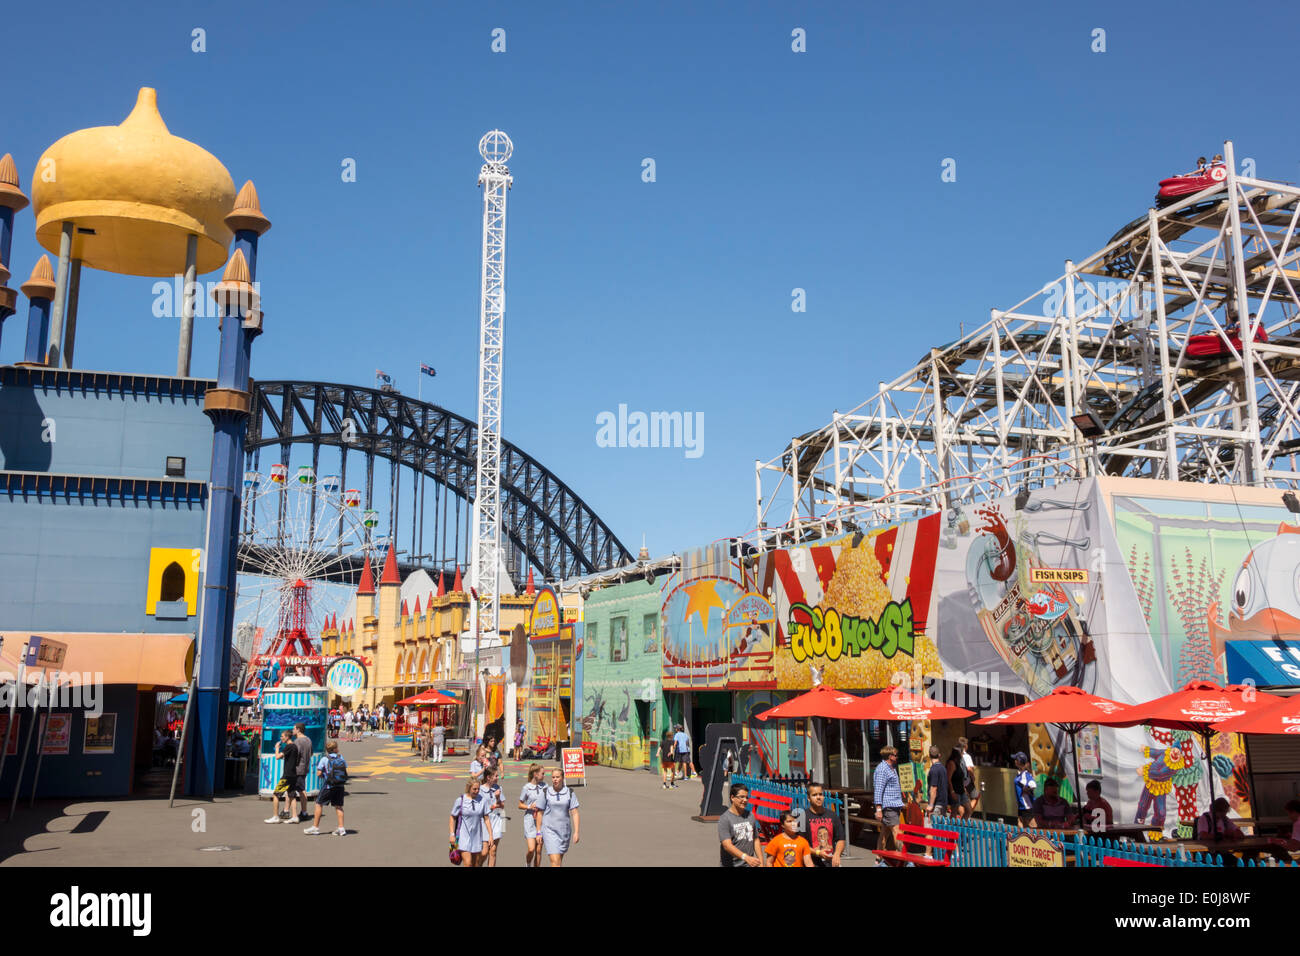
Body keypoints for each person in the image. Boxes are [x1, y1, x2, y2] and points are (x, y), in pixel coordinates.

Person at [537, 767, 581, 867]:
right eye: (553, 777)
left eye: (557, 777)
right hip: (549, 830)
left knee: (558, 861)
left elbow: (575, 813)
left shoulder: (569, 792)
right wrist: (539, 831)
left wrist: (576, 832)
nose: (555, 779)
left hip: (564, 831)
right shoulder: (546, 792)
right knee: (555, 860)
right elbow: (540, 813)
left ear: (562, 778)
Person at [304, 740, 348, 836]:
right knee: (338, 806)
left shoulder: (324, 759)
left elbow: (319, 773)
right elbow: (345, 768)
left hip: (329, 785)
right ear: (336, 749)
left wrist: (324, 776)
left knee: (319, 804)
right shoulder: (341, 757)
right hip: (340, 786)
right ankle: (341, 828)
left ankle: (315, 827)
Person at [718, 783, 764, 867]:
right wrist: (745, 857)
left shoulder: (750, 816)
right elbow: (727, 845)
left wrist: (761, 862)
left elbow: (756, 839)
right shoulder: (725, 819)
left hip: (748, 864)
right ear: (732, 798)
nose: (745, 800)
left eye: (747, 797)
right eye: (741, 797)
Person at [872, 746, 905, 861]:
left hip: (894, 804)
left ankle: (878, 858)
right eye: (895, 755)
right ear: (890, 756)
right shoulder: (882, 769)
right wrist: (879, 809)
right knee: (897, 831)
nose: (897, 757)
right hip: (889, 806)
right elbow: (878, 789)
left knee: (885, 833)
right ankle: (903, 858)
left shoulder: (891, 768)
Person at [449, 778, 492, 867]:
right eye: (474, 789)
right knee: (468, 863)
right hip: (463, 836)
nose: (477, 791)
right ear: (469, 788)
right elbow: (452, 817)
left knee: (476, 864)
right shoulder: (460, 800)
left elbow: (486, 819)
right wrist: (452, 834)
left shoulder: (482, 800)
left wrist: (490, 835)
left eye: (478, 789)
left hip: (476, 837)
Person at [802, 781, 845, 868]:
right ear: (808, 798)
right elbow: (800, 844)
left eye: (820, 794)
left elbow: (841, 839)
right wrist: (818, 852)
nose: (818, 797)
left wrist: (837, 854)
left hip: (830, 862)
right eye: (814, 795)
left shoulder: (832, 815)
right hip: (811, 862)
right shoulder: (802, 817)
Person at [265, 730, 298, 823]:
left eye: (282, 736)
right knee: (292, 795)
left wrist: (276, 748)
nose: (281, 738)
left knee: (276, 794)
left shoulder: (289, 746)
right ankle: (295, 816)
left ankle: (275, 817)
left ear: (287, 737)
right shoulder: (295, 746)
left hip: (287, 775)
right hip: (293, 774)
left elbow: (277, 757)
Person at [518, 763, 547, 867]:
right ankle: (528, 863)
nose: (544, 776)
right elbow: (520, 804)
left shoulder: (545, 786)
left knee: (538, 849)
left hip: (542, 819)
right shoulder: (527, 787)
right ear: (535, 774)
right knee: (531, 849)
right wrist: (529, 807)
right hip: (530, 819)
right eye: (542, 774)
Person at [481, 765, 506, 867]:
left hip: (497, 820)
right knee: (484, 852)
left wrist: (498, 798)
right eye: (495, 776)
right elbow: (481, 808)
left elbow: (502, 806)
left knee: (493, 850)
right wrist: (493, 806)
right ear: (488, 777)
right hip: (485, 821)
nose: (498, 777)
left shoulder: (498, 788)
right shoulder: (481, 790)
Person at [292, 723, 313, 823]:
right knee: (299, 788)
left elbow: (295, 755)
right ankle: (291, 810)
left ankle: (303, 812)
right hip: (305, 767)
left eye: (294, 728)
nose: (293, 730)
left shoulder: (297, 741)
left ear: (298, 730)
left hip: (298, 768)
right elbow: (311, 753)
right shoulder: (308, 740)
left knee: (300, 789)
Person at [1013, 752, 1036, 827]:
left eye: (1015, 759)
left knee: (1032, 826)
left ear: (1018, 762)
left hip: (1027, 806)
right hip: (1021, 805)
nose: (1014, 761)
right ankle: (1022, 838)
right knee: (1020, 823)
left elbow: (1033, 784)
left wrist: (1027, 788)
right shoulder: (1020, 774)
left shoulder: (1025, 775)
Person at [945, 745, 969, 819]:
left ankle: (962, 826)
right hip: (955, 791)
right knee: (954, 812)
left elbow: (961, 777)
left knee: (968, 809)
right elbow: (948, 778)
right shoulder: (951, 763)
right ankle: (952, 828)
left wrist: (964, 788)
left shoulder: (959, 763)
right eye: (961, 753)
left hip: (961, 790)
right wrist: (952, 792)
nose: (962, 755)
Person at [926, 746, 949, 819]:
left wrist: (931, 805)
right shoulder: (943, 768)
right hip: (943, 802)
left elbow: (933, 788)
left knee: (932, 827)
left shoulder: (934, 770)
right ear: (939, 755)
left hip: (936, 804)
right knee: (941, 828)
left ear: (929, 755)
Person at [959, 736, 979, 812]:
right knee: (976, 796)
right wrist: (973, 776)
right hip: (966, 782)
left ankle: (962, 819)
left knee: (961, 801)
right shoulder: (966, 756)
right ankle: (966, 816)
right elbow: (969, 768)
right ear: (966, 746)